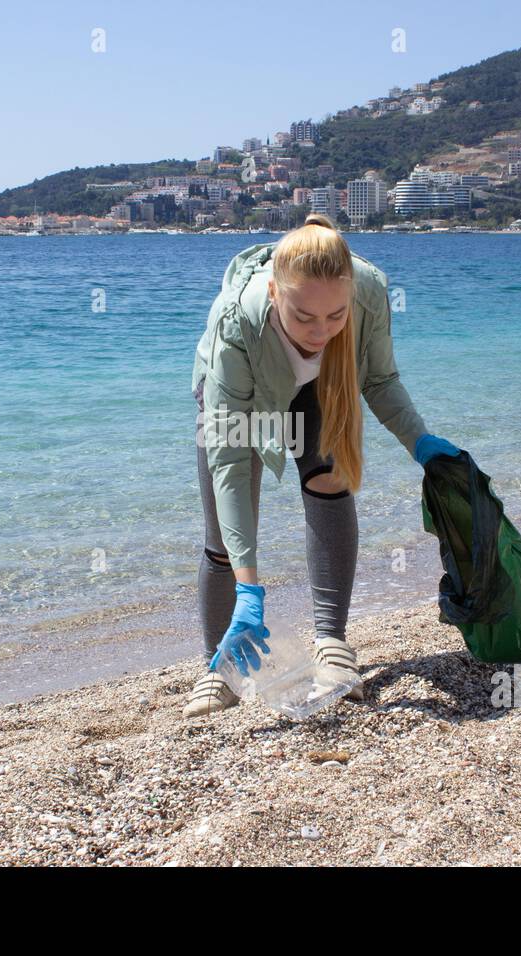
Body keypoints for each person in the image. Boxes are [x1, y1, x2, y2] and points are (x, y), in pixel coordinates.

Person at [184, 213, 460, 718]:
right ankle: (218, 666)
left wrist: (420, 442)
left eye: (335, 316)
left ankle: (333, 645)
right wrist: (251, 587)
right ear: (274, 293)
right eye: (304, 317)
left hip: (319, 390)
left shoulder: (368, 290)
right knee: (224, 537)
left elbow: (379, 380)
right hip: (237, 393)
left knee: (330, 478)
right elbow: (228, 461)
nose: (321, 331)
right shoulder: (234, 322)